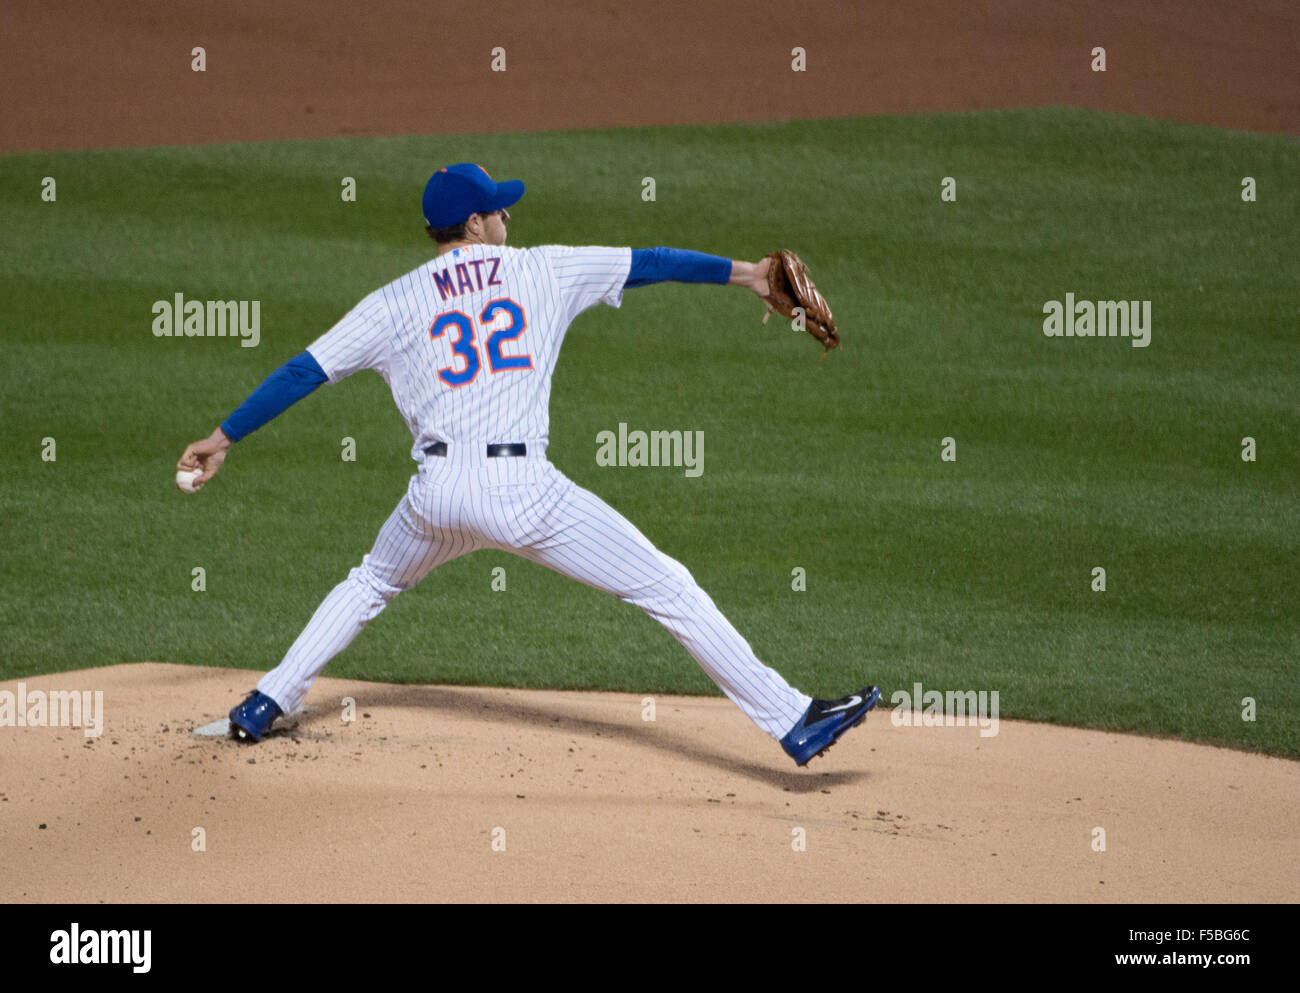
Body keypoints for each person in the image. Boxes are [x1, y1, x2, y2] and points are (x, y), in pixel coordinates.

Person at [176, 162, 879, 766]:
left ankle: (266, 701)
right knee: (667, 585)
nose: (507, 212)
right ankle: (793, 718)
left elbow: (304, 371)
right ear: (475, 225)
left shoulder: (393, 301)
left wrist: (224, 434)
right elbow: (655, 261)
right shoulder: (545, 267)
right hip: (524, 494)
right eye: (496, 206)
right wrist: (750, 275)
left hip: (438, 495)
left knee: (370, 582)